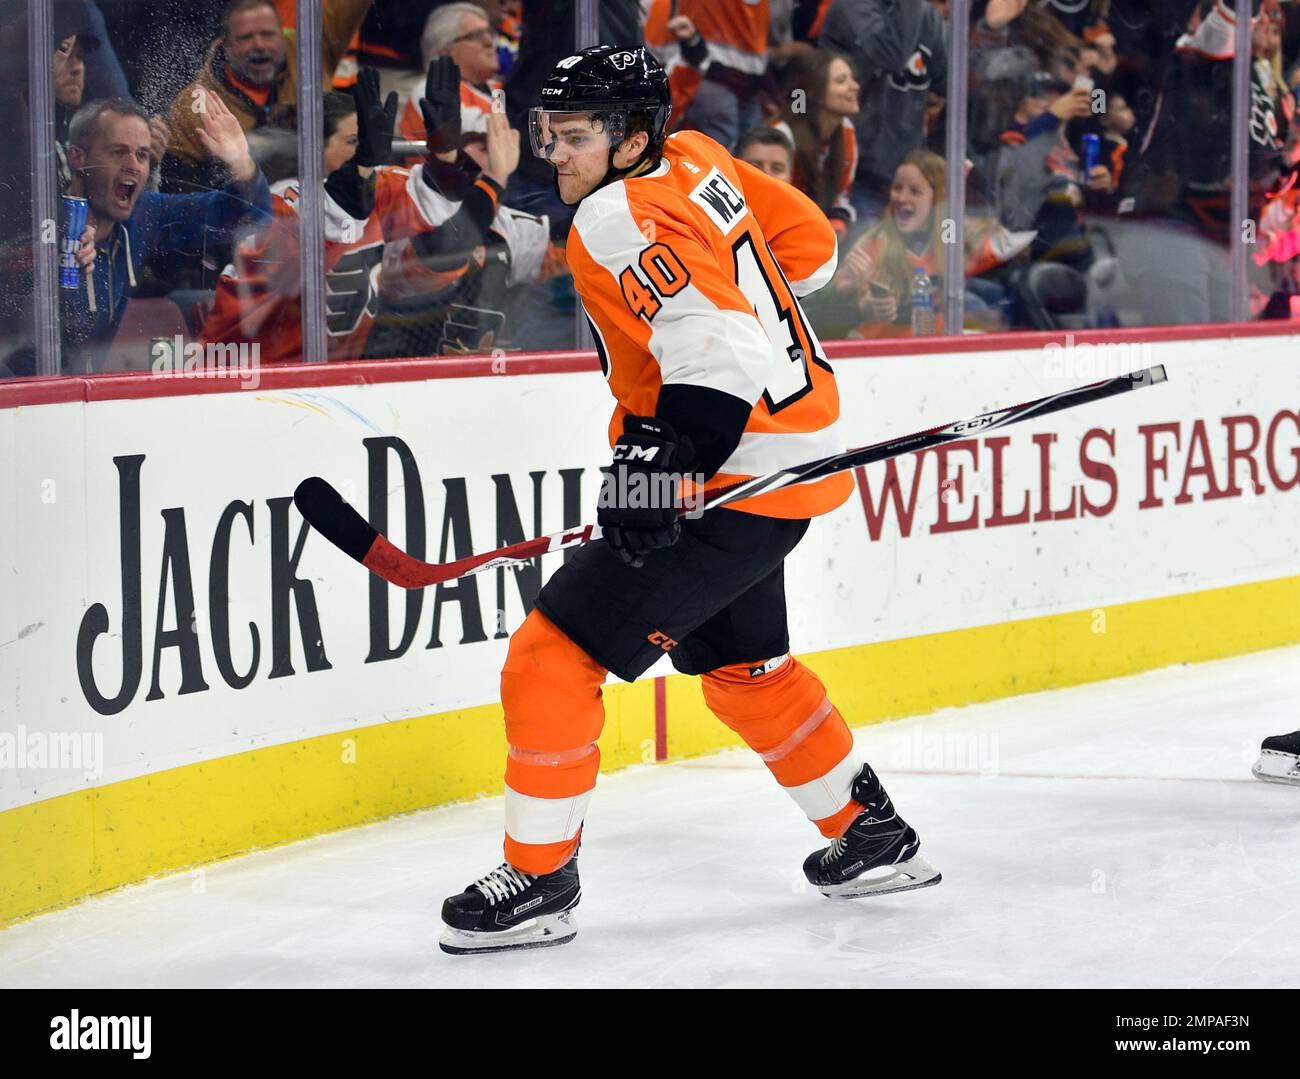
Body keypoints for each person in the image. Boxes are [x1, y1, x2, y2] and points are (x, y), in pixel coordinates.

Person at [437, 45, 941, 956]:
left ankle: (542, 878)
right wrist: (673, 445)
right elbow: (810, 249)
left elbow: (709, 355)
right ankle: (867, 834)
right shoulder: (699, 156)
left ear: (632, 136)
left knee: (548, 660)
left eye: (580, 137)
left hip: (731, 467)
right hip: (789, 455)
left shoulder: (617, 215)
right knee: (746, 673)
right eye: (553, 133)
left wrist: (664, 464)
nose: (559, 154)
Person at [60, 94, 271, 372]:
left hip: (88, 402)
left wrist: (241, 162)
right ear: (77, 157)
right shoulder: (41, 223)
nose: (133, 165)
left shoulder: (143, 215)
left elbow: (248, 216)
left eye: (143, 154)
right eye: (118, 152)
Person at [162, 0, 371, 192]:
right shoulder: (192, 107)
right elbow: (179, 195)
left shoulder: (312, 51)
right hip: (243, 222)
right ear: (226, 45)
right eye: (246, 37)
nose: (259, 45)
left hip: (324, 213)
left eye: (267, 34)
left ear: (282, 33)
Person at [823, 150, 1030, 336]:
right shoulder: (871, 245)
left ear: (937, 198)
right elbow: (834, 311)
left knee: (992, 302)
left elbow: (1001, 231)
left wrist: (969, 185)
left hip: (930, 355)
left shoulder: (945, 240)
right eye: (897, 188)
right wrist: (863, 307)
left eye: (915, 191)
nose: (902, 198)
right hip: (879, 359)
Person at [771, 48, 860, 237]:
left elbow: (841, 199)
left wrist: (837, 223)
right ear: (816, 93)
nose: (855, 87)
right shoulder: (782, 137)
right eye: (841, 81)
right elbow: (773, 202)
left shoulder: (846, 131)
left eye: (852, 79)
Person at [397, 3, 503, 153]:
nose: (489, 42)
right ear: (445, 53)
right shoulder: (429, 91)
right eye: (476, 36)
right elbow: (491, 136)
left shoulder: (499, 88)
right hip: (442, 175)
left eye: (489, 32)